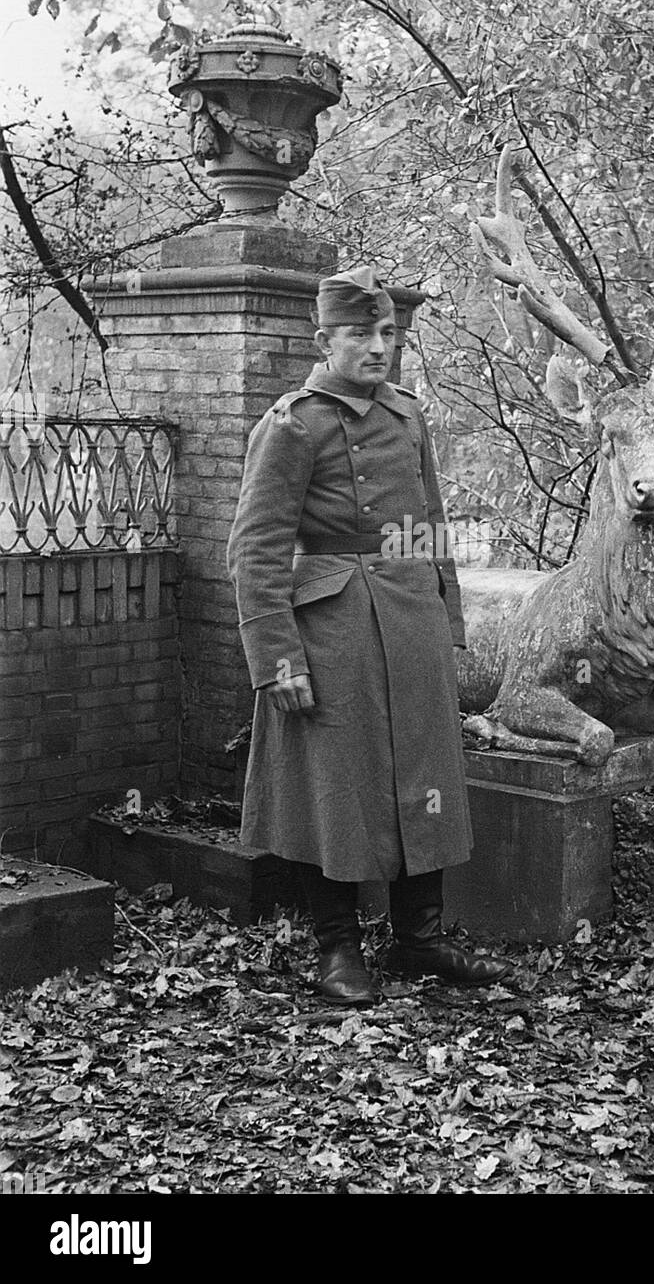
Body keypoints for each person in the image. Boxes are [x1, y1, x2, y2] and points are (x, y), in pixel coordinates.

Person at [226, 265, 511, 1007]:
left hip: (408, 619)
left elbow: (429, 524)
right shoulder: (292, 424)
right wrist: (275, 656)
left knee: (426, 779)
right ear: (324, 340)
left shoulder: (407, 416)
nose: (379, 347)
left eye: (389, 333)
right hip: (331, 630)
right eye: (362, 334)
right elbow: (254, 549)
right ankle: (338, 947)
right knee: (337, 789)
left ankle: (419, 939)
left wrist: (445, 622)